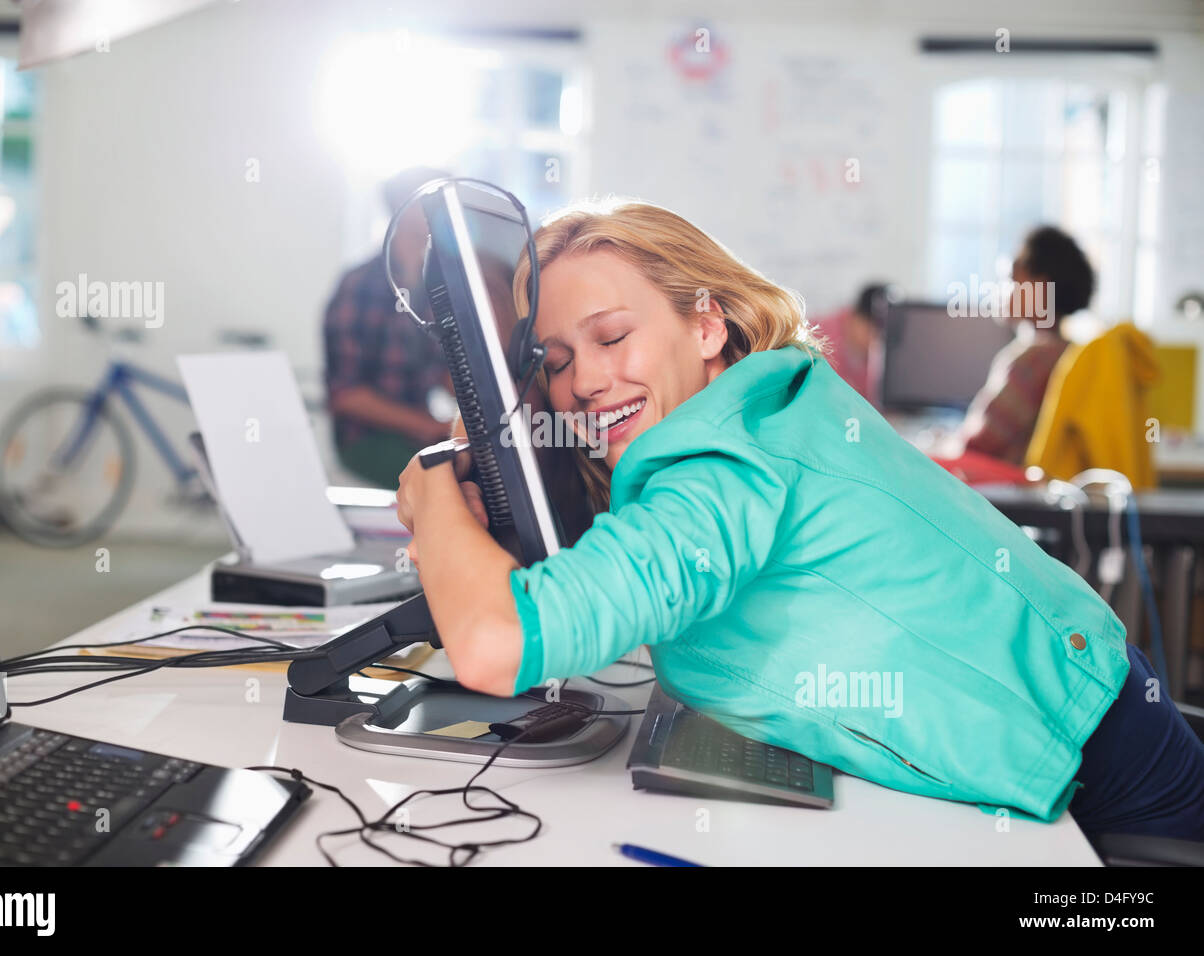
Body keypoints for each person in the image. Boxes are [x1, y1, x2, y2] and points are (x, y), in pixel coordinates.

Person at [394, 199, 1204, 841]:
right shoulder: (762, 403)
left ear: (706, 324)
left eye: (611, 336)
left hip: (1110, 780)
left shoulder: (722, 466)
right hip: (1101, 704)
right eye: (559, 362)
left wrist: (433, 490)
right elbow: (619, 565)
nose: (588, 383)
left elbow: (499, 645)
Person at [323, 166, 455, 488]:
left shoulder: (434, 287)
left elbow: (444, 370)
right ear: (403, 207)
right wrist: (428, 425)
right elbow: (346, 396)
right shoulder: (359, 285)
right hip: (366, 441)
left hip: (418, 434)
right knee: (453, 485)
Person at [953, 226, 1096, 465]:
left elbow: (977, 445)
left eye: (1011, 278)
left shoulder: (1030, 361)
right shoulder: (1072, 354)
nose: (1001, 289)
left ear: (1039, 285)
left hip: (1003, 493)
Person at [813, 282, 890, 407]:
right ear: (855, 317)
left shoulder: (870, 353)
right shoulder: (817, 336)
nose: (875, 342)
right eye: (871, 331)